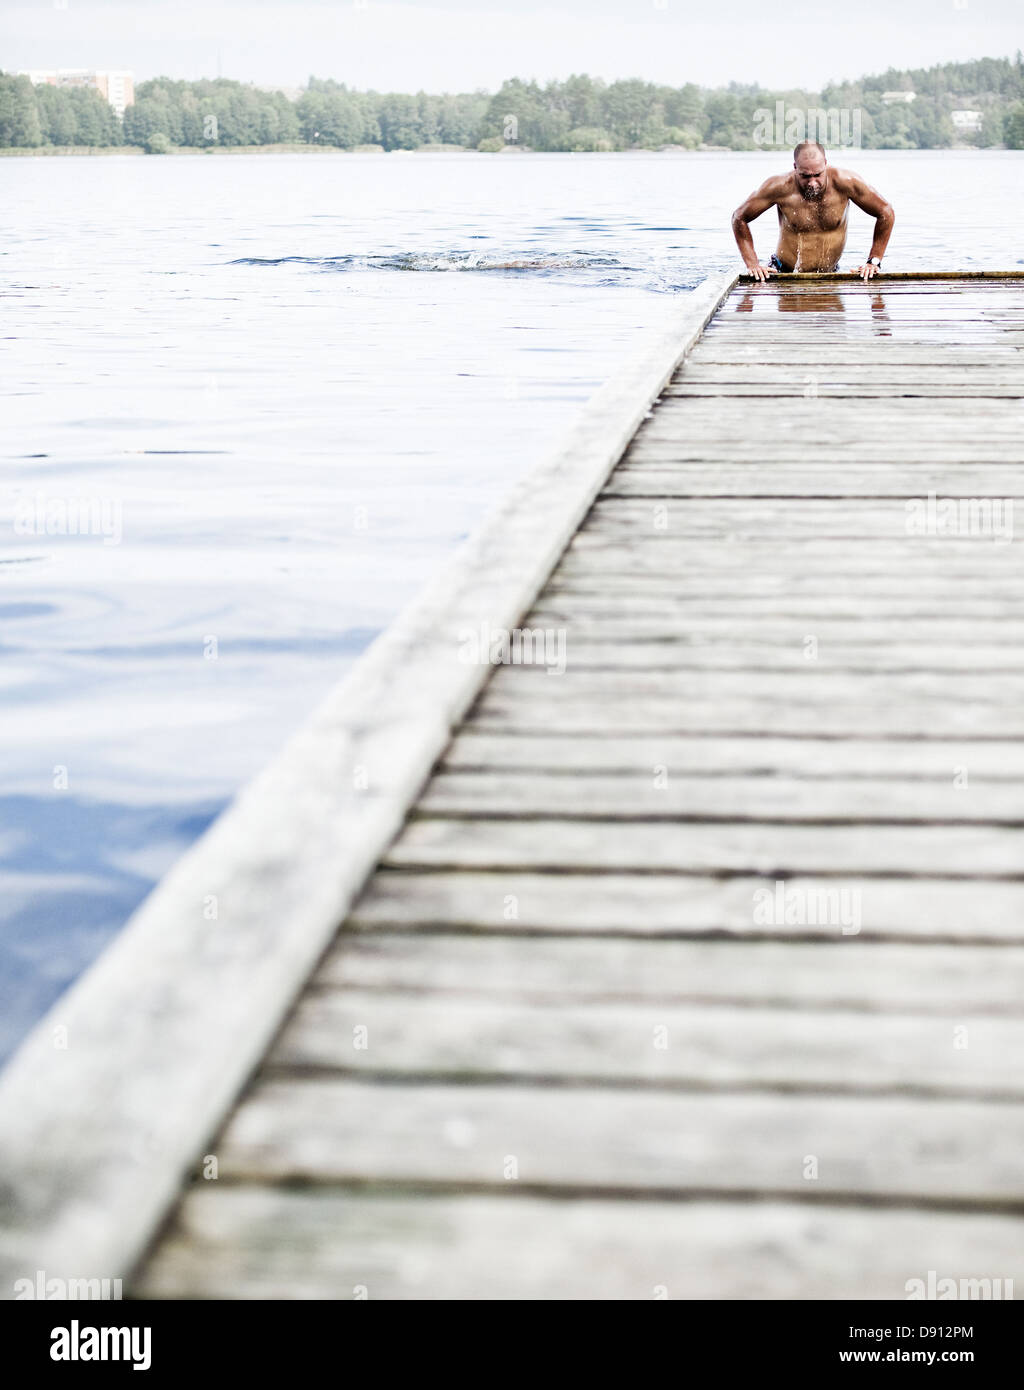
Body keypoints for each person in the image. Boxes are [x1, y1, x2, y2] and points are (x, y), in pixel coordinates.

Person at [732, 139, 895, 281]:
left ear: (825, 163)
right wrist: (753, 264)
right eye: (805, 176)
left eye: (817, 174)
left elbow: (885, 212)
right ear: (795, 167)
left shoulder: (846, 183)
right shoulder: (779, 187)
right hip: (783, 273)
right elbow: (739, 217)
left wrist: (874, 261)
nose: (812, 182)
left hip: (830, 274)